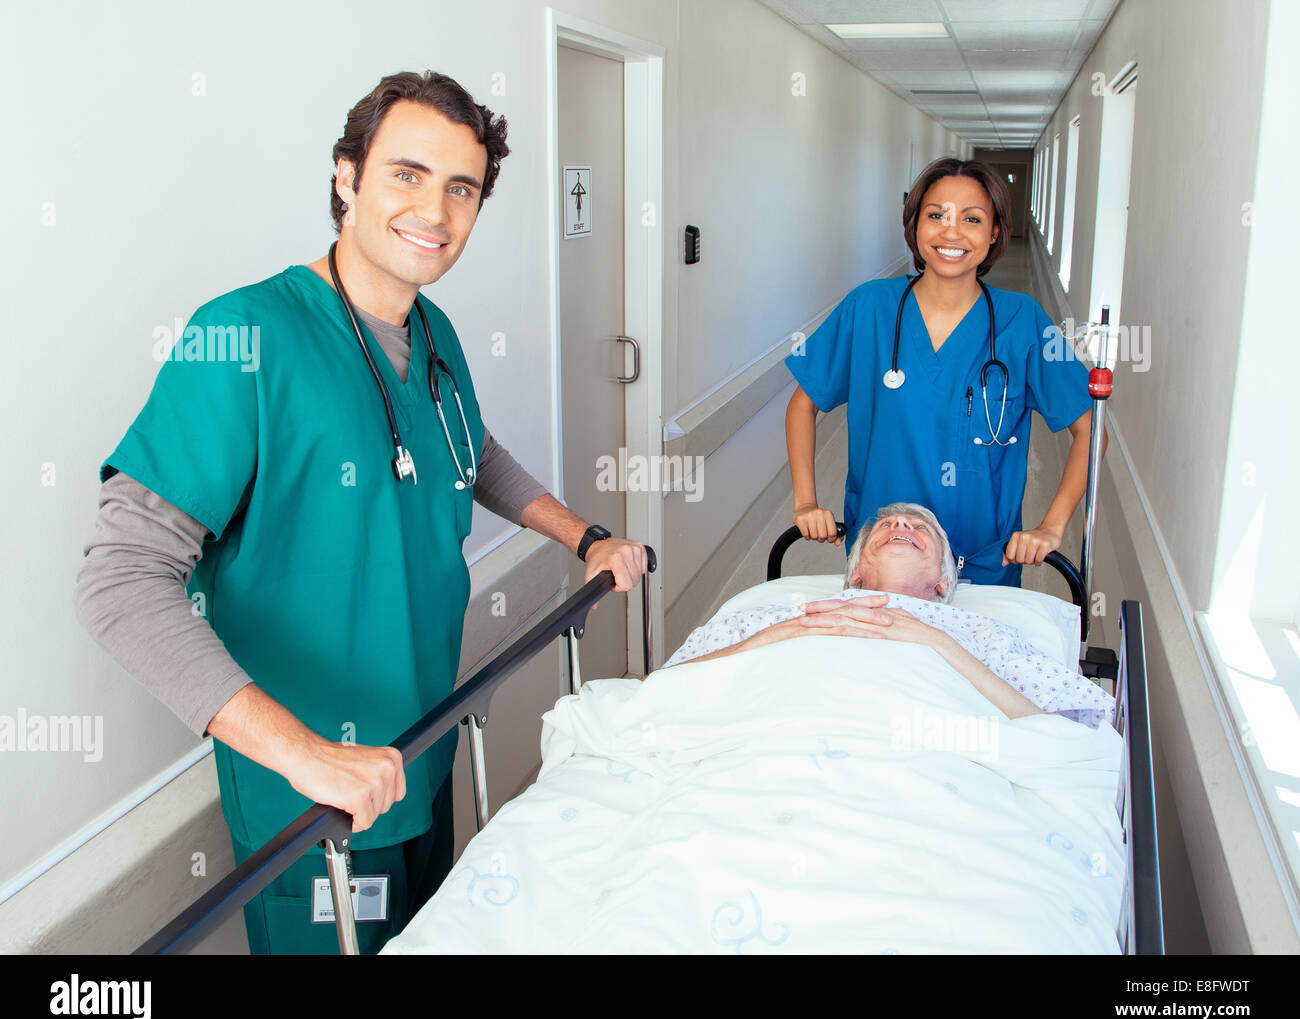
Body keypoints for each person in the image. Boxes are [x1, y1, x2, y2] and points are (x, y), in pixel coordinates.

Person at [74, 71, 647, 954]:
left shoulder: (435, 332)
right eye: (407, 175)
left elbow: (472, 452)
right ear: (347, 177)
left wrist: (585, 536)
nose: (437, 211)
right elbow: (119, 581)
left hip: (423, 746)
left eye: (463, 188)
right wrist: (306, 754)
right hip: (313, 804)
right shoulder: (246, 338)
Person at [784, 157, 1106, 586]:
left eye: (971, 219)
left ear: (994, 233)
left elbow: (1091, 429)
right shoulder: (869, 309)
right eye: (936, 215)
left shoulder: (1022, 322)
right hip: (882, 562)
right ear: (915, 224)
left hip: (983, 564)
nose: (951, 232)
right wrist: (806, 502)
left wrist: (1052, 525)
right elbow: (803, 404)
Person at [664, 504, 1112, 728]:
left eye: (920, 530)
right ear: (855, 573)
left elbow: (1061, 732)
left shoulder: (979, 633)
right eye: (886, 525)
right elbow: (663, 688)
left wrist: (937, 642)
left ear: (942, 581)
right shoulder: (781, 616)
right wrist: (781, 634)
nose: (901, 526)